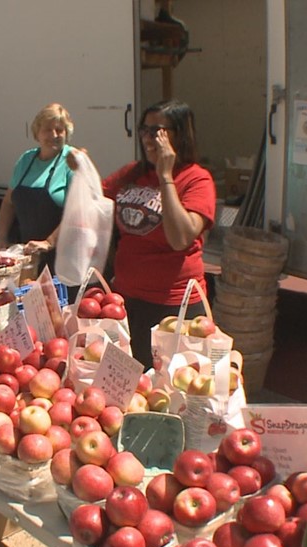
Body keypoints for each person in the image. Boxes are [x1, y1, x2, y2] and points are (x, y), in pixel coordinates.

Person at [99, 99, 217, 370]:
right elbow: (94, 203)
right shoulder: (131, 173)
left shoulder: (196, 179)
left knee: (171, 389)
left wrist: (166, 176)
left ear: (180, 133)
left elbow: (181, 238)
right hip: (127, 301)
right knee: (130, 384)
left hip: (174, 308)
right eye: (144, 130)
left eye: (157, 131)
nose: (148, 138)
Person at [0, 103, 75, 277]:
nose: (53, 135)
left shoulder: (72, 162)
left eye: (59, 130)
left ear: (66, 134)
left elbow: (78, 212)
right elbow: (9, 202)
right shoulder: (26, 160)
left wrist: (49, 242)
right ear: (37, 133)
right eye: (47, 129)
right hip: (28, 256)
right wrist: (1, 238)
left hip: (62, 259)